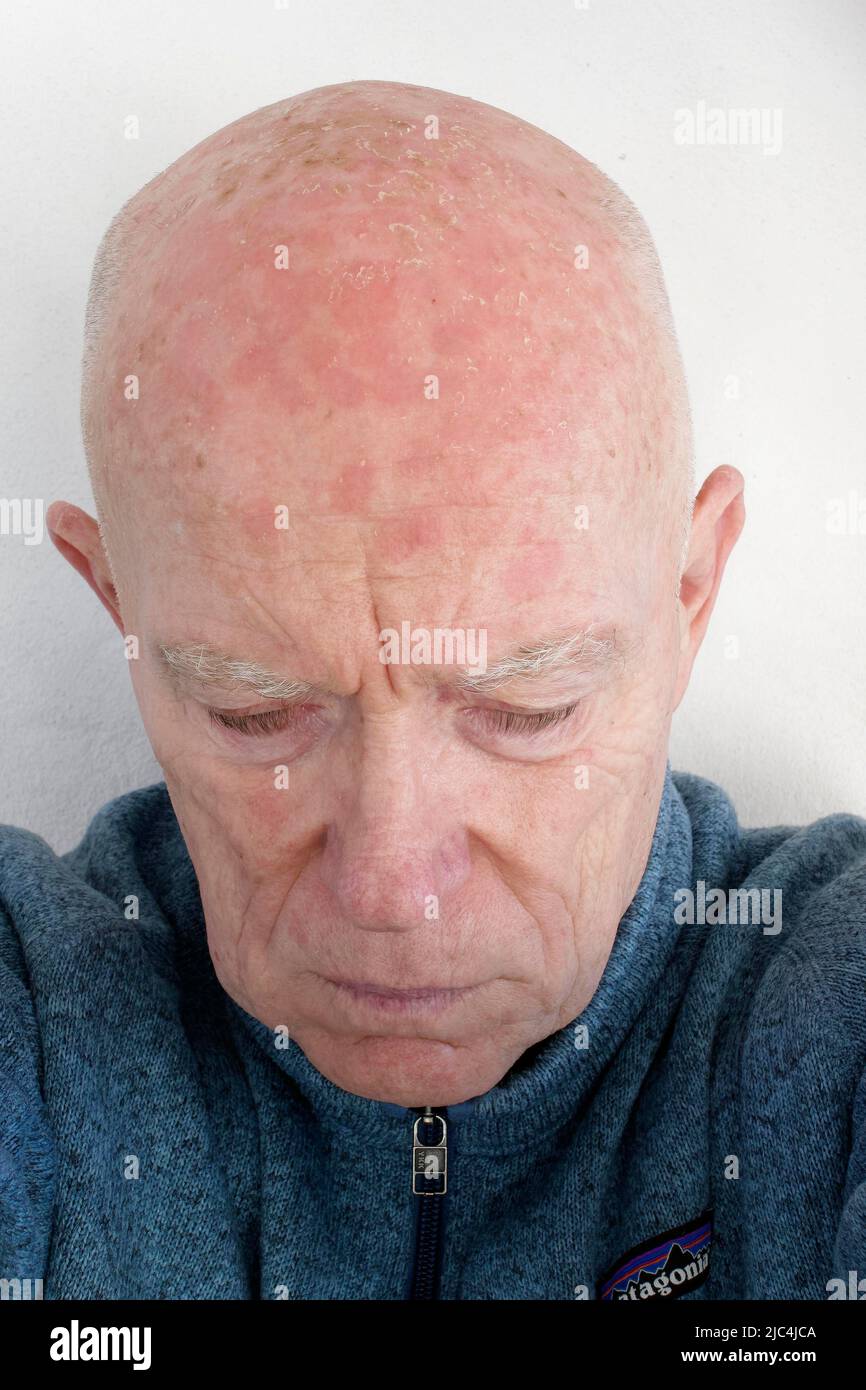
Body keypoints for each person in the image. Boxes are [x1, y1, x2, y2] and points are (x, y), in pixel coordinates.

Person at [2, 79, 863, 1301]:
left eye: (526, 709)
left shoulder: (834, 1006)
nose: (393, 890)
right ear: (118, 610)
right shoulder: (34, 1018)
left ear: (688, 594)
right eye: (254, 711)